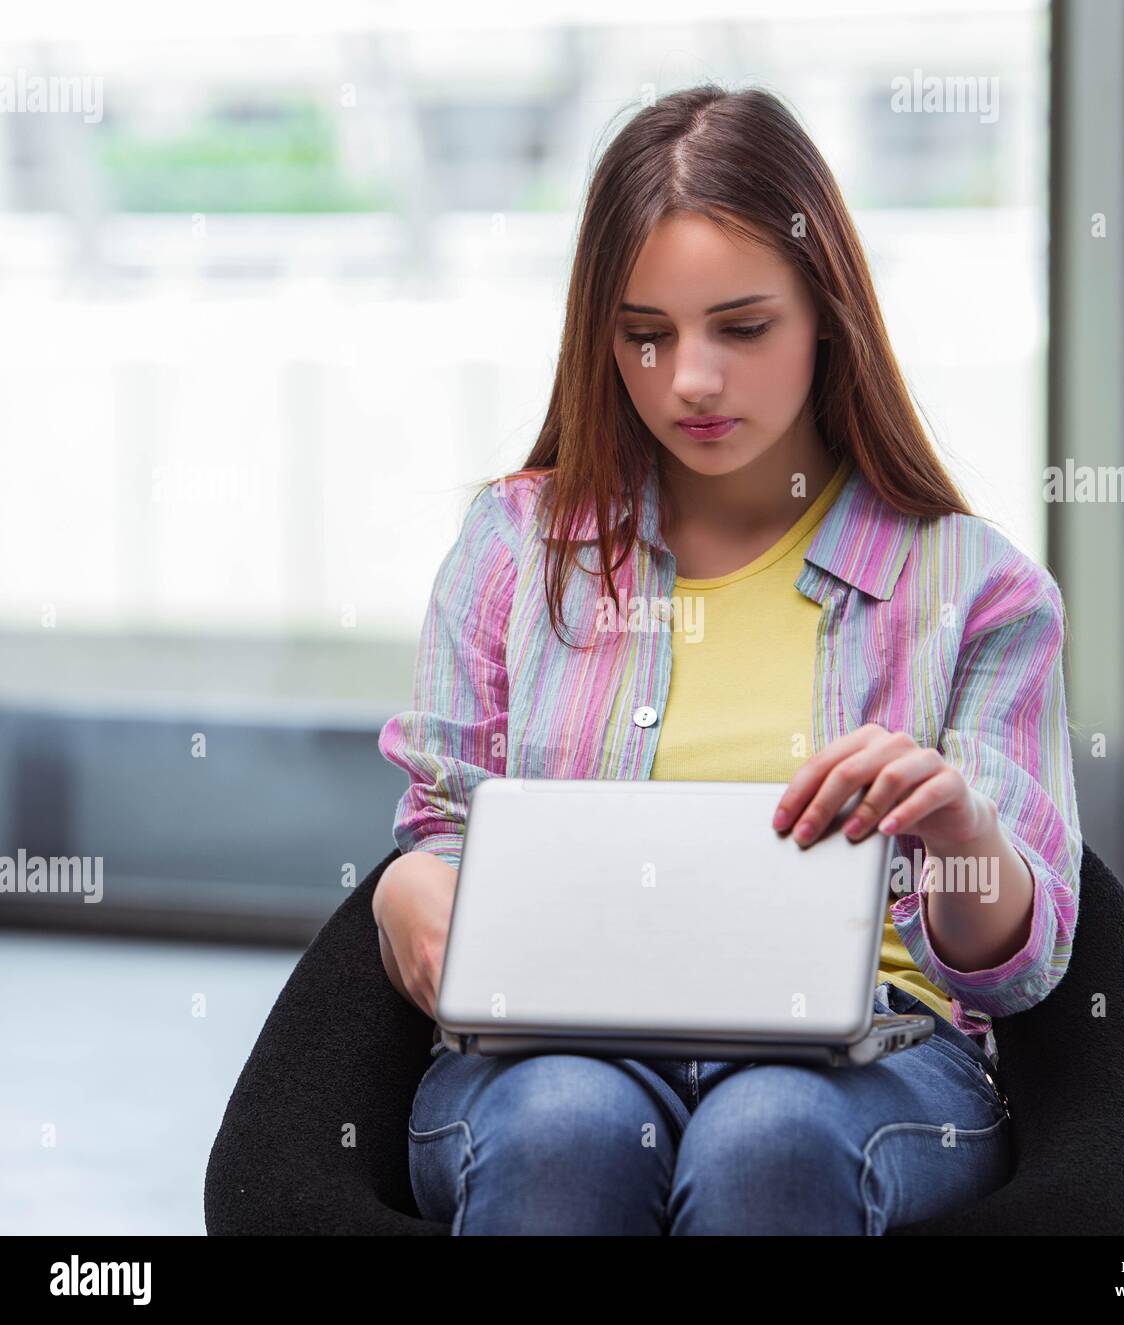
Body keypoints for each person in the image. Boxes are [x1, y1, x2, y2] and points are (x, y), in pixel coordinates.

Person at [375, 83, 1083, 1235]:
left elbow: (1017, 972)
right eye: (644, 334)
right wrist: (414, 894)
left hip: (879, 1060)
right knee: (563, 1123)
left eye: (740, 328)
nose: (688, 380)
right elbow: (436, 835)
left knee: (769, 1133)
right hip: (553, 1050)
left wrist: (959, 834)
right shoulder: (516, 546)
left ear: (828, 315)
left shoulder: (977, 592)